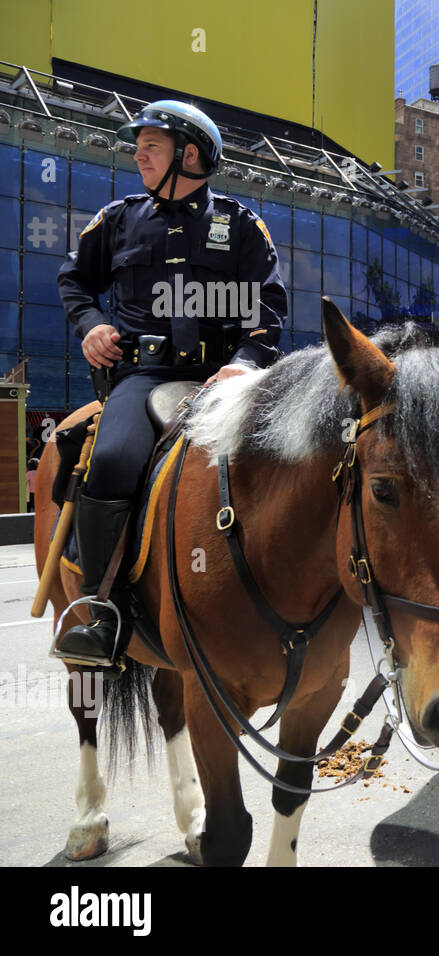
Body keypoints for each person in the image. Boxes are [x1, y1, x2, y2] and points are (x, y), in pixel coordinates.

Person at [53, 100, 286, 670]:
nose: (138, 155)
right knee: (110, 461)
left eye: (150, 146)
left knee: (291, 460)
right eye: (139, 146)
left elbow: (270, 308)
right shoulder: (117, 219)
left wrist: (247, 361)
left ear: (190, 154)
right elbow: (74, 281)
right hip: (143, 377)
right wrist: (90, 326)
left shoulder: (241, 225)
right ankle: (103, 612)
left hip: (225, 380)